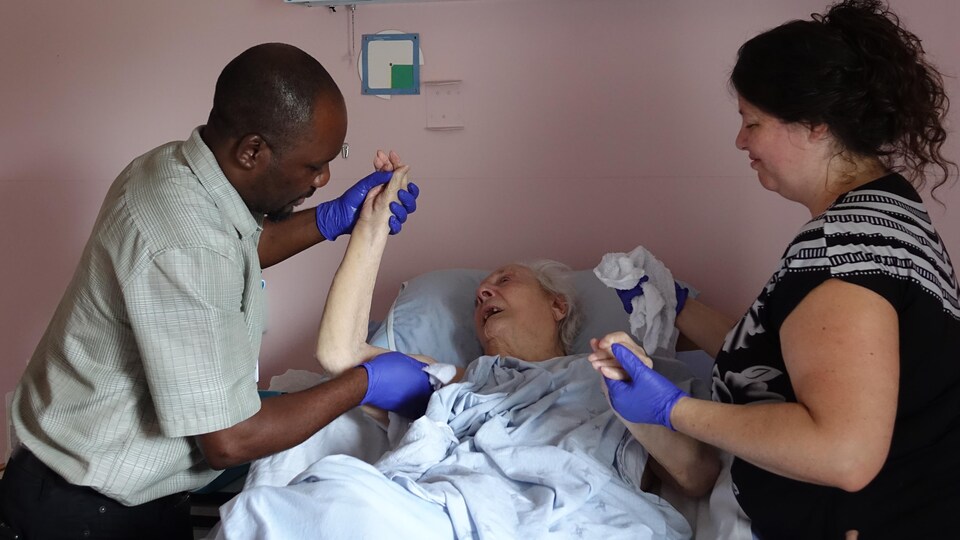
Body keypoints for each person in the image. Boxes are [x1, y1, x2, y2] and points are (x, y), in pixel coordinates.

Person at [0, 43, 432, 539]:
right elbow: (229, 439)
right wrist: (366, 382)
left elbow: (241, 247)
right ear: (252, 151)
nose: (324, 177)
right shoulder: (182, 237)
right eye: (314, 165)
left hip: (98, 481)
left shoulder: (178, 169)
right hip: (83, 510)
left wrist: (336, 217)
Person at [589, 1, 960, 538]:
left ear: (813, 125)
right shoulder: (881, 213)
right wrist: (679, 305)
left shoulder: (846, 258)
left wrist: (672, 410)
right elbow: (795, 354)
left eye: (752, 122)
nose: (742, 141)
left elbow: (844, 454)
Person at [233, 168, 721, 540]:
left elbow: (696, 477)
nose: (484, 293)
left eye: (504, 281)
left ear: (557, 305)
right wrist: (370, 226)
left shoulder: (621, 375)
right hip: (442, 513)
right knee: (265, 511)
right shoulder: (467, 381)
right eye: (478, 297)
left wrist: (639, 408)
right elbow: (340, 354)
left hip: (577, 520)